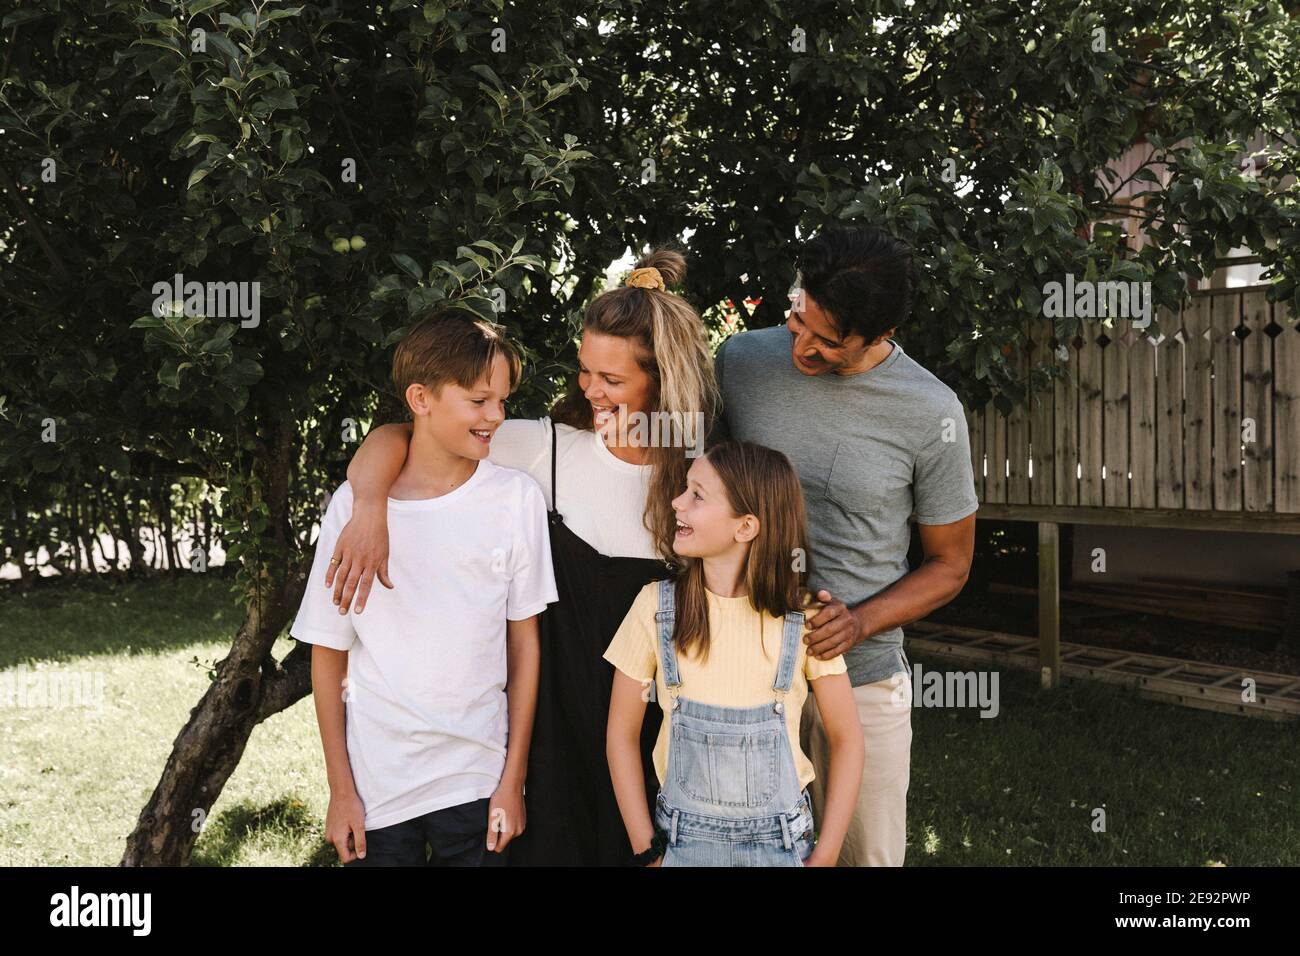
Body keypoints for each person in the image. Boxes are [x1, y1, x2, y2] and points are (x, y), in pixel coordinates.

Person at [325, 249, 720, 865]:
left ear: (662, 382)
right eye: (585, 371)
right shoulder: (543, 449)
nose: (590, 389)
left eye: (612, 381)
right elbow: (410, 432)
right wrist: (370, 501)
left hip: (665, 732)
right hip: (551, 740)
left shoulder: (703, 476)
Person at [712, 226, 978, 866]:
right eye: (797, 320)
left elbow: (951, 564)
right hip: (744, 670)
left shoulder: (929, 411)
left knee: (863, 858)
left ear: (879, 335)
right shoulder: (741, 362)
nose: (802, 346)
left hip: (861, 681)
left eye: (827, 341)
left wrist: (859, 622)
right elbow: (702, 490)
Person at [290, 313, 557, 866]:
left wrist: (513, 779)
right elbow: (328, 653)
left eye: (503, 401)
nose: (497, 417)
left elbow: (525, 646)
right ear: (421, 397)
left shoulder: (515, 499)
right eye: (480, 401)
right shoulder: (353, 509)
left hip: (477, 781)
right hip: (377, 788)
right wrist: (341, 790)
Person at [605, 441, 863, 866]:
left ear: (745, 527)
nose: (676, 502)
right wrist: (645, 850)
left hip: (781, 849)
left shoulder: (805, 619)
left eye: (696, 495)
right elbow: (620, 734)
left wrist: (827, 854)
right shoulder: (655, 607)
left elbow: (848, 738)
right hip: (680, 848)